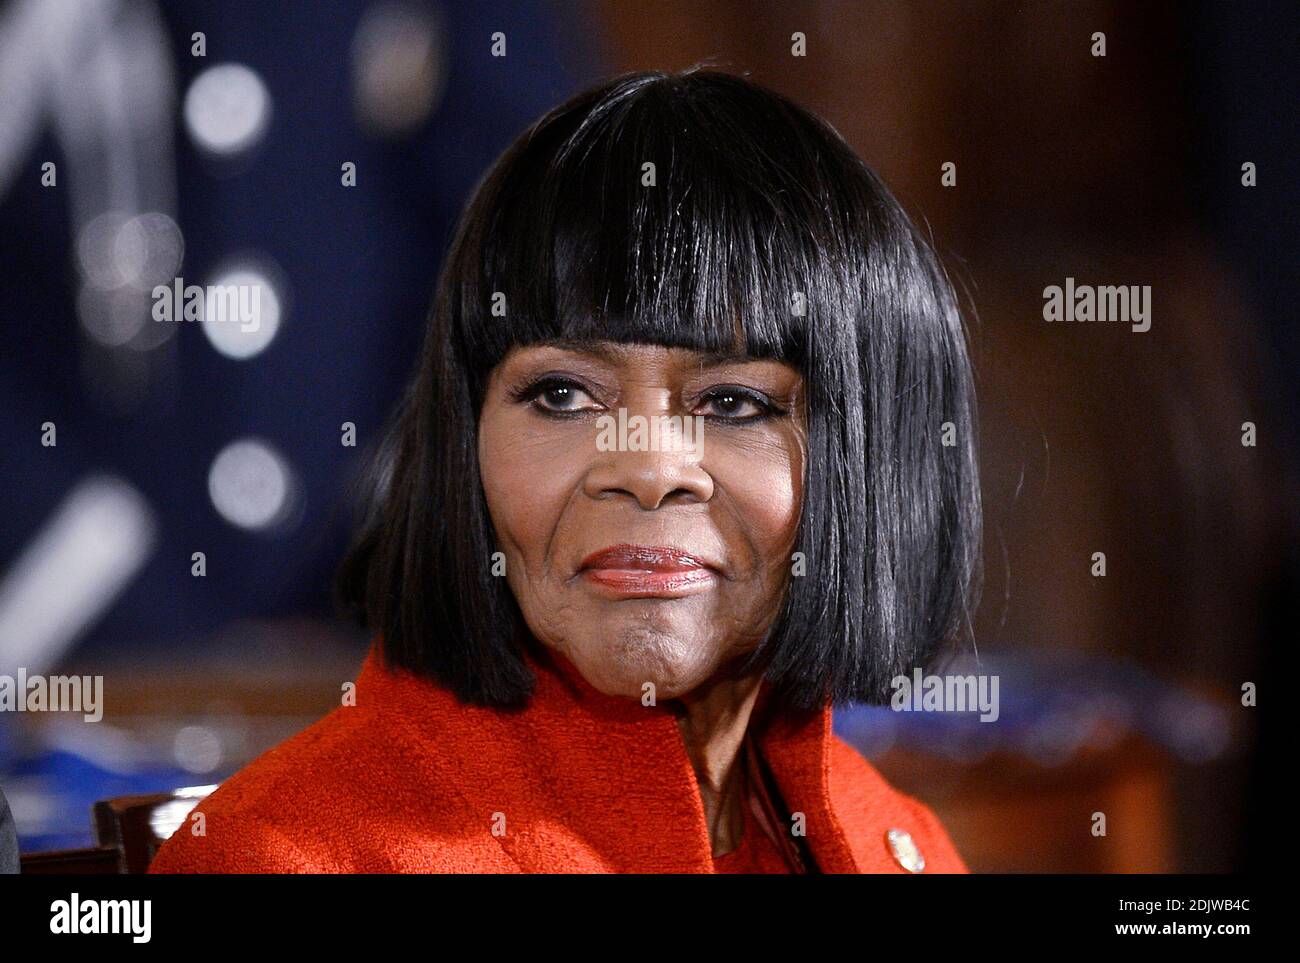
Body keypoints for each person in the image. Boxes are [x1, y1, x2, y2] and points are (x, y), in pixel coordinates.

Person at [150, 68, 981, 874]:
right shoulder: (280, 856)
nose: (648, 470)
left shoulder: (902, 842)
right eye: (561, 393)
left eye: (733, 404)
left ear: (873, 458)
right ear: (462, 434)